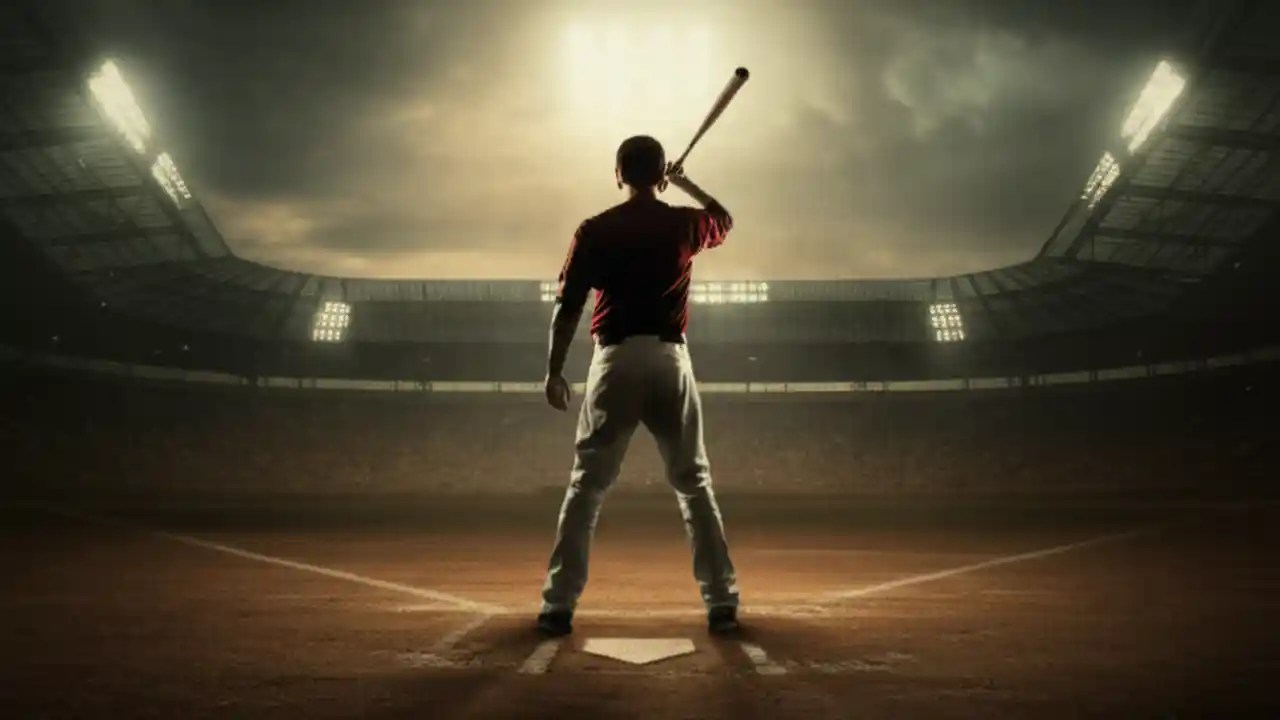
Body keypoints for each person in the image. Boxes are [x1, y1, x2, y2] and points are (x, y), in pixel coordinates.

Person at [537, 135, 741, 637]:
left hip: (614, 358)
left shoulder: (596, 229)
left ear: (618, 174)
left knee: (586, 487)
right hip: (671, 358)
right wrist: (686, 181)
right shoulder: (682, 223)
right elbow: (724, 219)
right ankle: (721, 602)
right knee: (694, 485)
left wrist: (555, 369)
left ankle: (558, 605)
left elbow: (568, 309)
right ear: (659, 173)